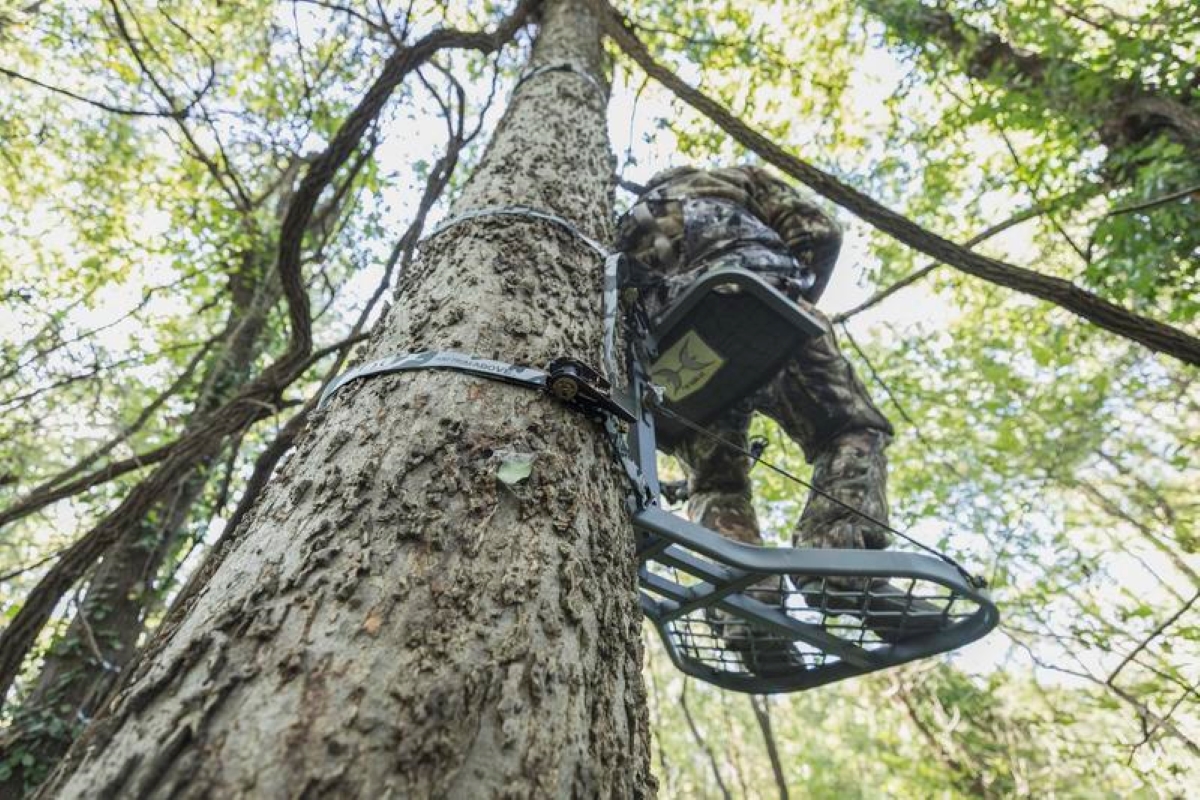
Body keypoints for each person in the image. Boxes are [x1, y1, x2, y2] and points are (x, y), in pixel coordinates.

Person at [616, 165, 927, 671]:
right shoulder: (731, 178)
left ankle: (745, 604)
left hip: (673, 364)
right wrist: (792, 301)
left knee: (716, 484)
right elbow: (818, 231)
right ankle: (839, 566)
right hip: (757, 300)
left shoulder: (617, 231)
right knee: (849, 430)